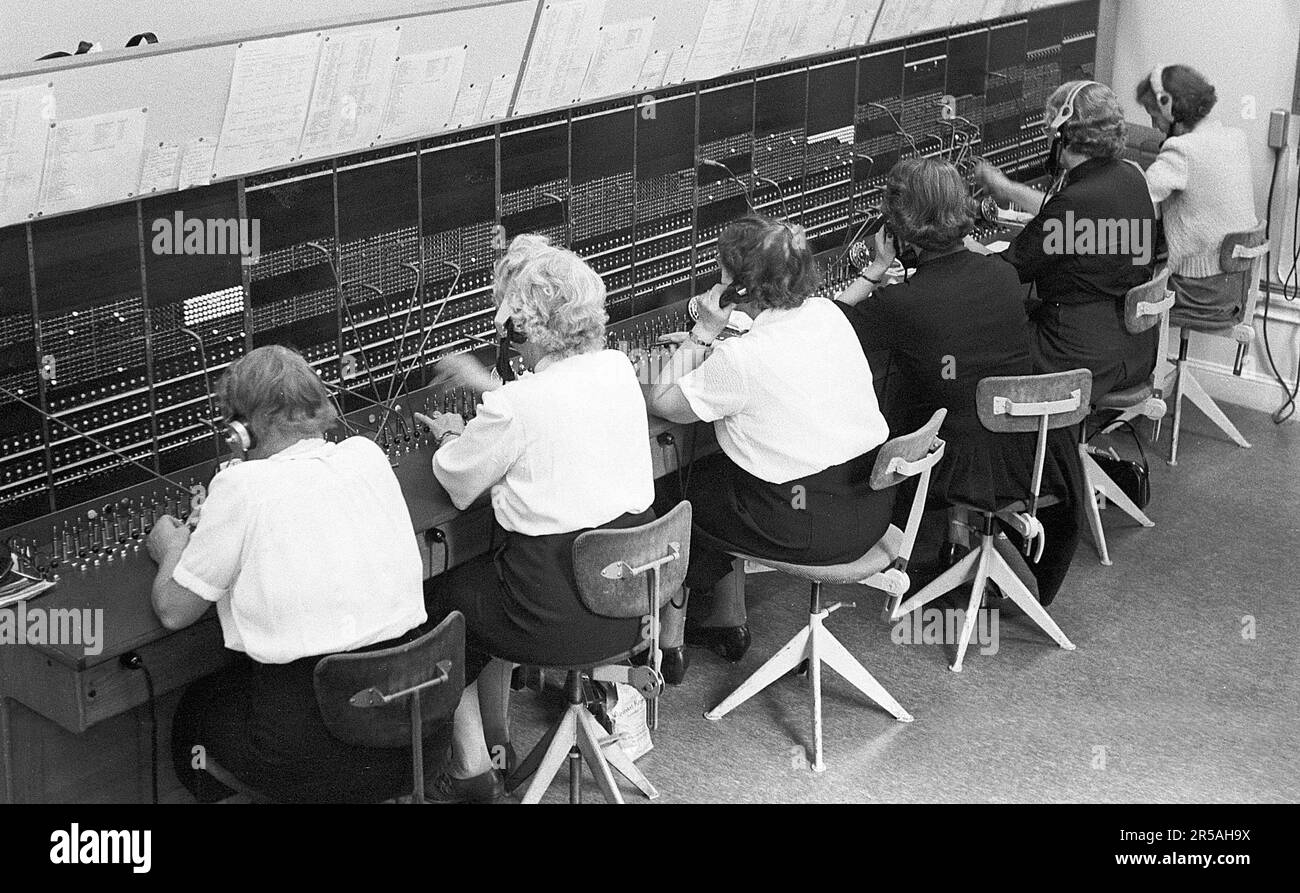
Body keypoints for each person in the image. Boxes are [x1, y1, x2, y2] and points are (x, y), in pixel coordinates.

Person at [420, 238, 656, 803]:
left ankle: (474, 765)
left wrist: (454, 435)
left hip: (547, 616)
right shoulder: (618, 370)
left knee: (443, 602)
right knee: (489, 583)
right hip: (627, 607)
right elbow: (556, 413)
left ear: (522, 331)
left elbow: (457, 482)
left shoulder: (517, 408)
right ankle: (502, 737)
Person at [150, 345, 432, 803]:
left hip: (307, 752)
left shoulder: (240, 487)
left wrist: (171, 550)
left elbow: (173, 612)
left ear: (241, 431)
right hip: (413, 737)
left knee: (194, 716)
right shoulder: (367, 455)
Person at [643, 213, 894, 683]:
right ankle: (728, 621)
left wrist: (703, 335)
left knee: (682, 492)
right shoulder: (828, 314)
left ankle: (668, 645)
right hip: (870, 507)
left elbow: (662, 401)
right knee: (729, 469)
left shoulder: (741, 360)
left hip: (808, 526)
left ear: (737, 286)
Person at [835, 158, 1082, 604]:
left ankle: (874, 535)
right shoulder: (1004, 275)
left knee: (887, 401)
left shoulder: (903, 303)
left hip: (963, 461)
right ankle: (952, 541)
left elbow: (830, 326)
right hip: (1034, 451)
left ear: (900, 227)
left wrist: (874, 270)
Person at [974, 80, 1159, 398]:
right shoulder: (1132, 175)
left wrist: (966, 251)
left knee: (972, 341)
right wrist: (1007, 189)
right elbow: (1074, 220)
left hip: (1076, 356)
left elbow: (1006, 272)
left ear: (1063, 134)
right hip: (1134, 351)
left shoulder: (1075, 203)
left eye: (1049, 129)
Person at [1136, 64, 1260, 324]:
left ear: (1169, 107)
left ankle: (1136, 364)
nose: (1154, 124)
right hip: (1236, 289)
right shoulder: (1234, 137)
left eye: (1154, 114)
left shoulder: (1182, 150)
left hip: (1199, 295)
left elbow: (1136, 201)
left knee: (1116, 290)